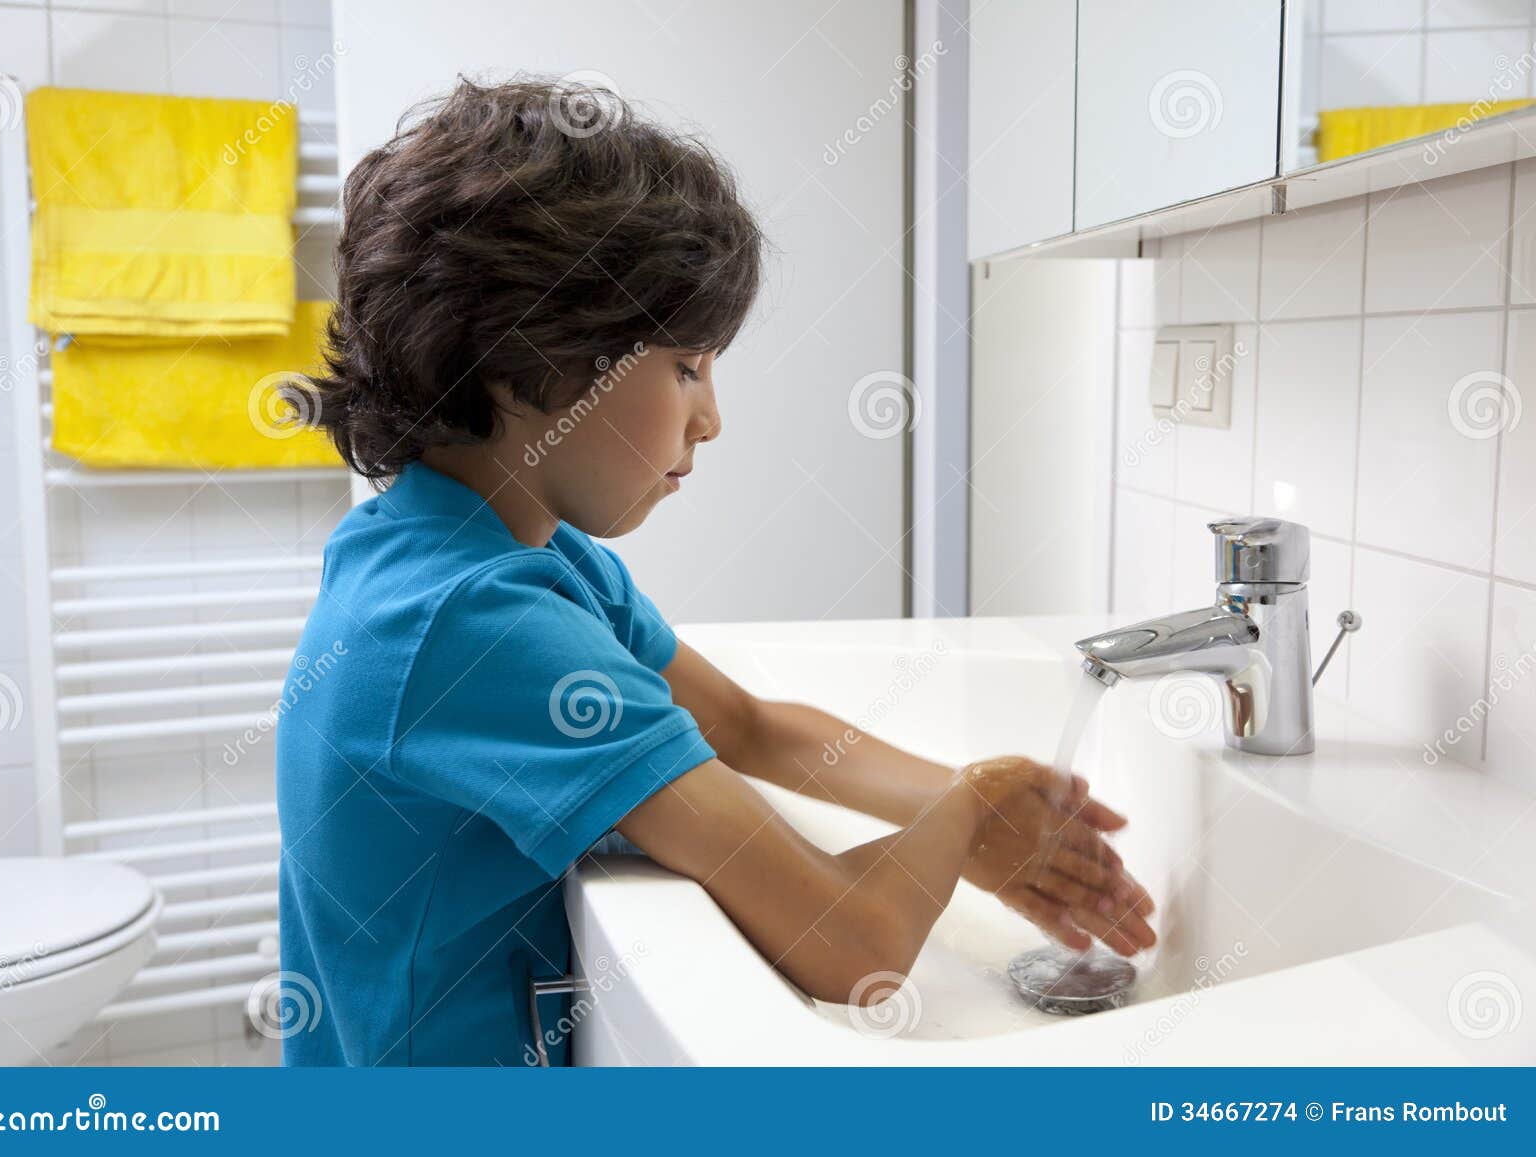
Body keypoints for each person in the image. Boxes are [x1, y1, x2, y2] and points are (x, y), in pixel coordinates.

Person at [274, 75, 1156, 1067]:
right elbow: (853, 948)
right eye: (686, 364)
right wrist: (969, 812)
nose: (711, 416)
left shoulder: (486, 552)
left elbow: (748, 727)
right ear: (526, 366)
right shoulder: (476, 623)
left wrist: (965, 809)